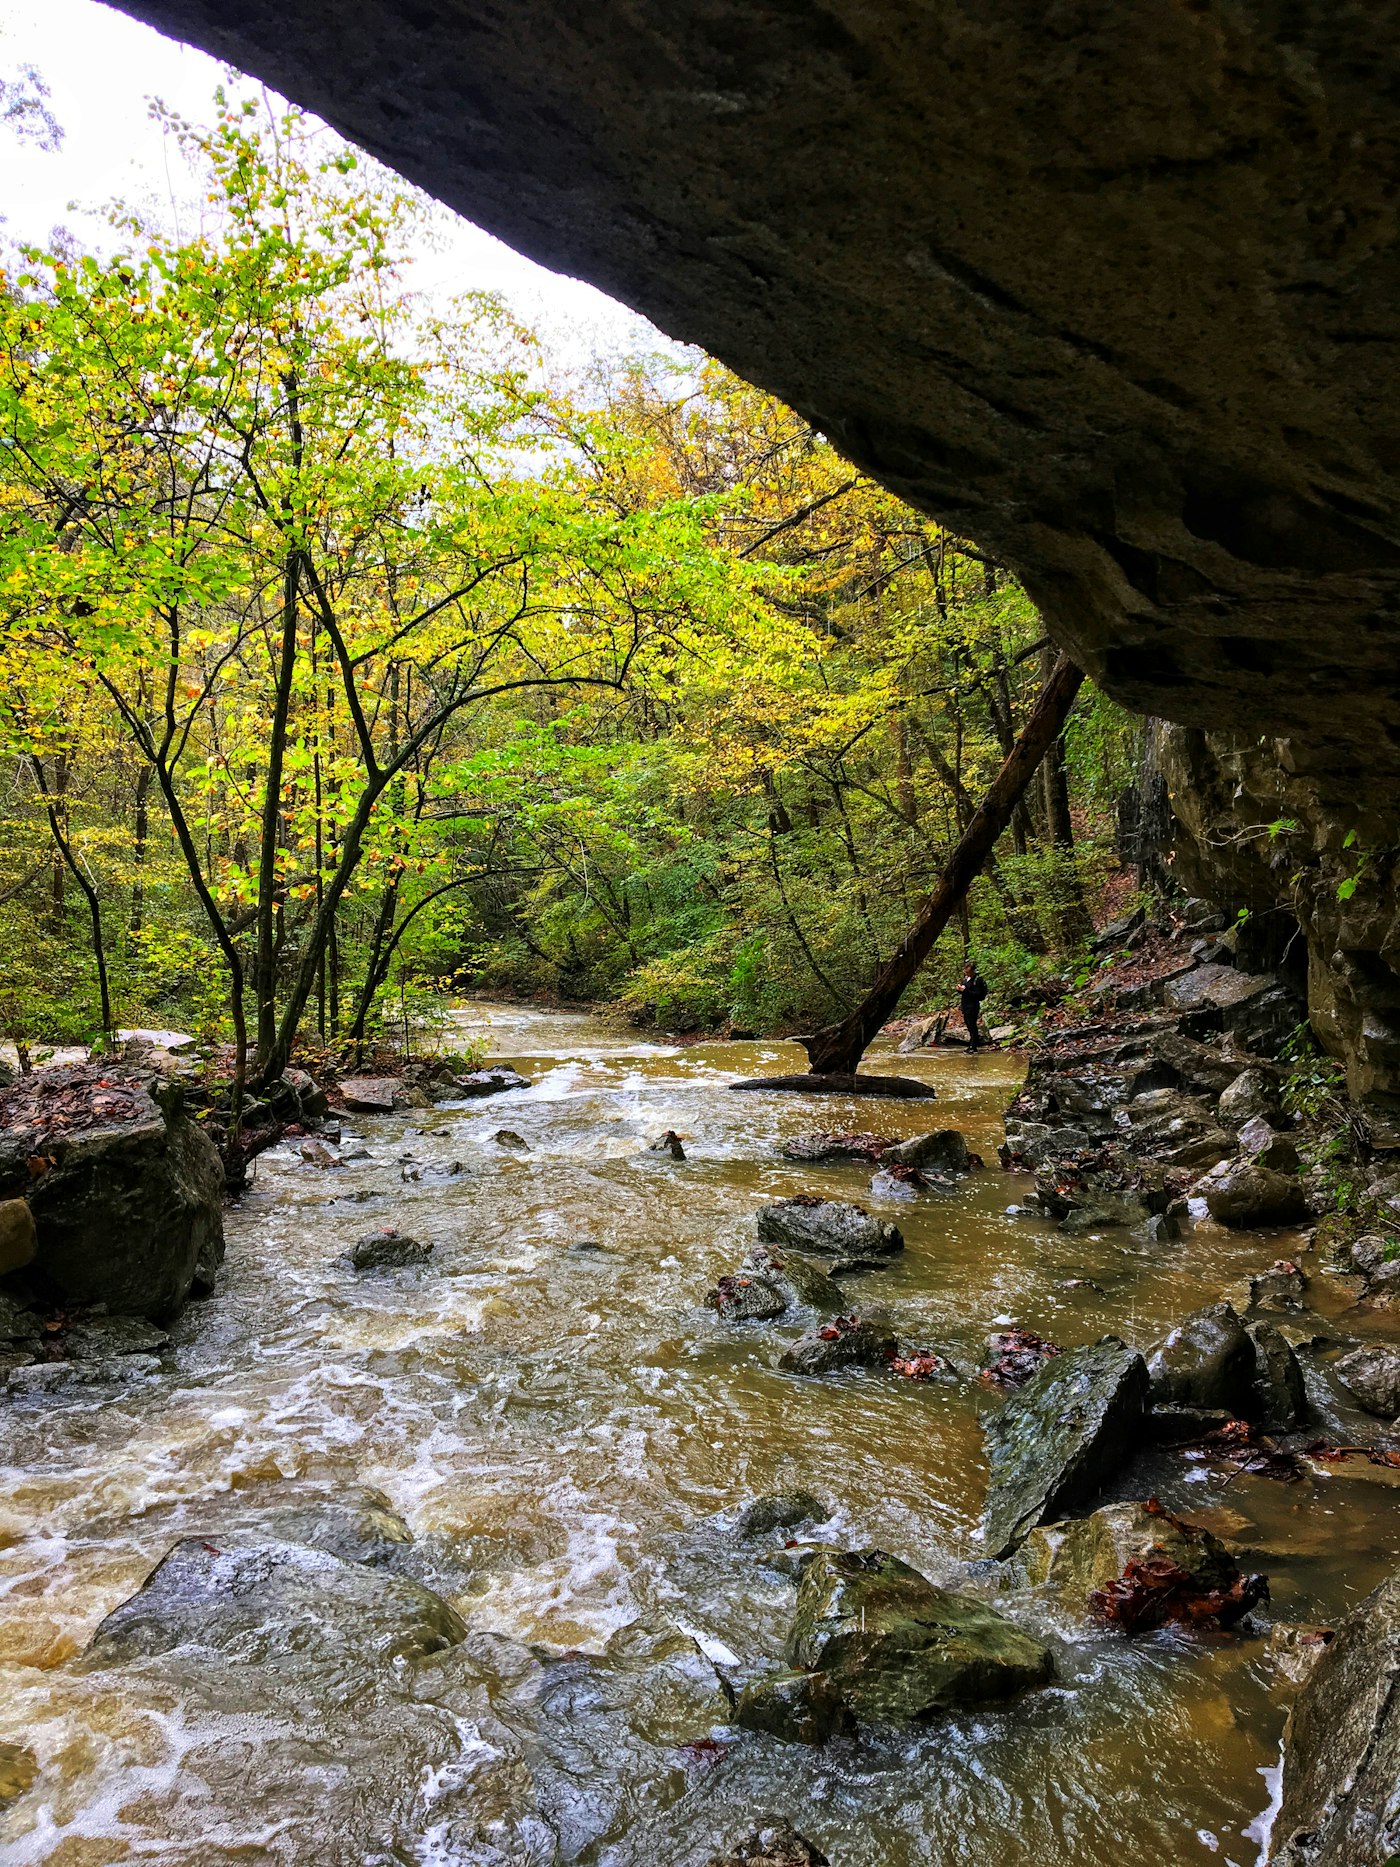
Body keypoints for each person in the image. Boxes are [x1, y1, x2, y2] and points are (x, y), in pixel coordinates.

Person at [959, 961, 989, 1052]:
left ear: (973, 971)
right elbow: (964, 991)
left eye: (969, 972)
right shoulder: (965, 979)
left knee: (972, 1025)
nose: (967, 973)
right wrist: (960, 990)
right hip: (965, 1005)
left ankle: (973, 1046)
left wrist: (965, 990)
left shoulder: (977, 980)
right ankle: (971, 1044)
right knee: (968, 1025)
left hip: (973, 1006)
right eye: (966, 971)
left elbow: (978, 994)